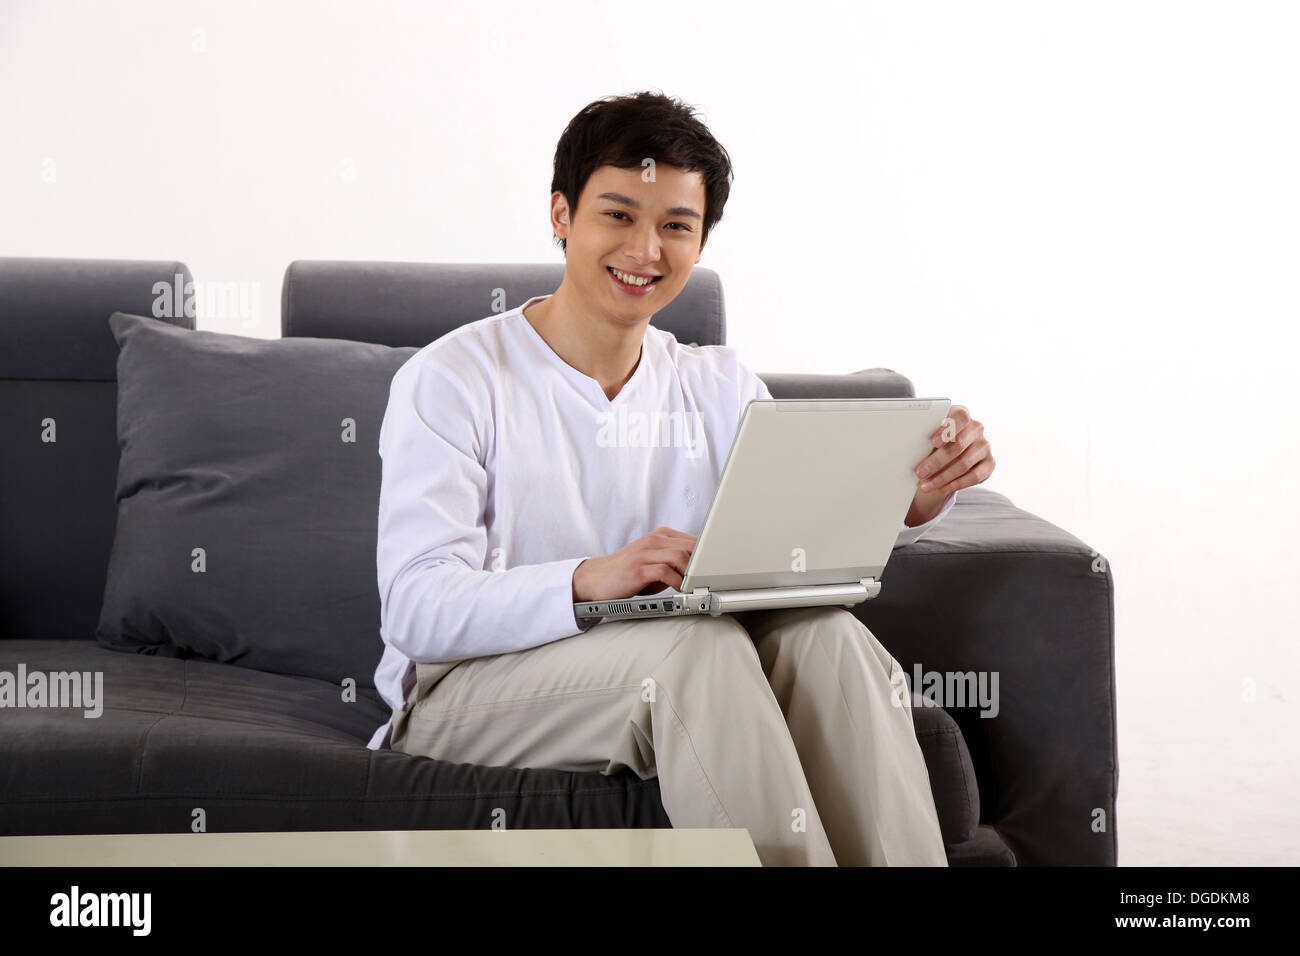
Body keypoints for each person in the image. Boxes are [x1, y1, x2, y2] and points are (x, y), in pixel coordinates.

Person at [367, 90, 996, 866]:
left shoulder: (722, 385)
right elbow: (417, 607)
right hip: (465, 693)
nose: (646, 250)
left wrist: (914, 500)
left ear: (700, 243)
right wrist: (593, 578)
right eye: (619, 215)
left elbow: (790, 557)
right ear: (561, 214)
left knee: (830, 639)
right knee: (691, 656)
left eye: (676, 226)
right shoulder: (453, 379)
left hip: (670, 658)